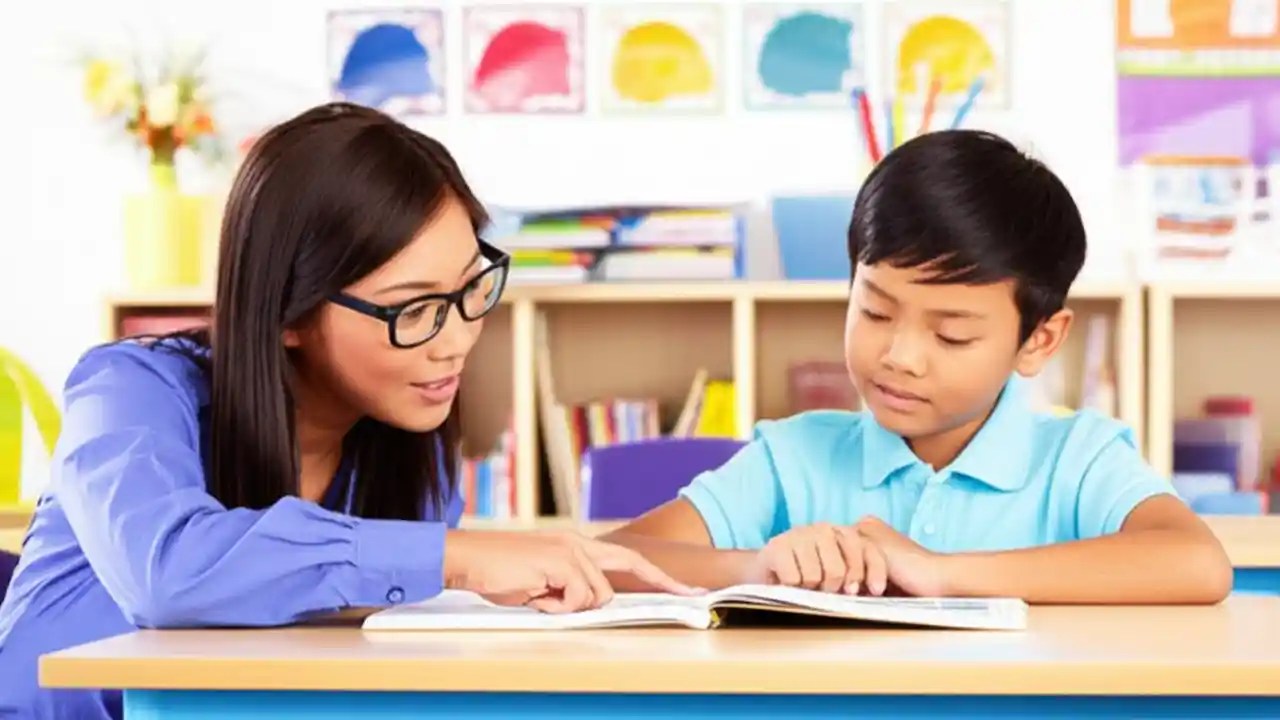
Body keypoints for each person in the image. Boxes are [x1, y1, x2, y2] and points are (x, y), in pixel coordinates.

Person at [0, 102, 694, 720]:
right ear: (287, 314)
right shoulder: (127, 391)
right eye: (415, 309)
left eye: (469, 290)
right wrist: (454, 557)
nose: (456, 342)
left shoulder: (404, 447)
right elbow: (168, 574)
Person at [602, 130, 1233, 604]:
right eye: (875, 312)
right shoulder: (791, 457)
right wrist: (755, 569)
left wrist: (940, 572)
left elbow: (1198, 564)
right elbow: (612, 560)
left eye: (951, 334)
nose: (899, 356)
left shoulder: (1079, 458)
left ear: (1039, 340)